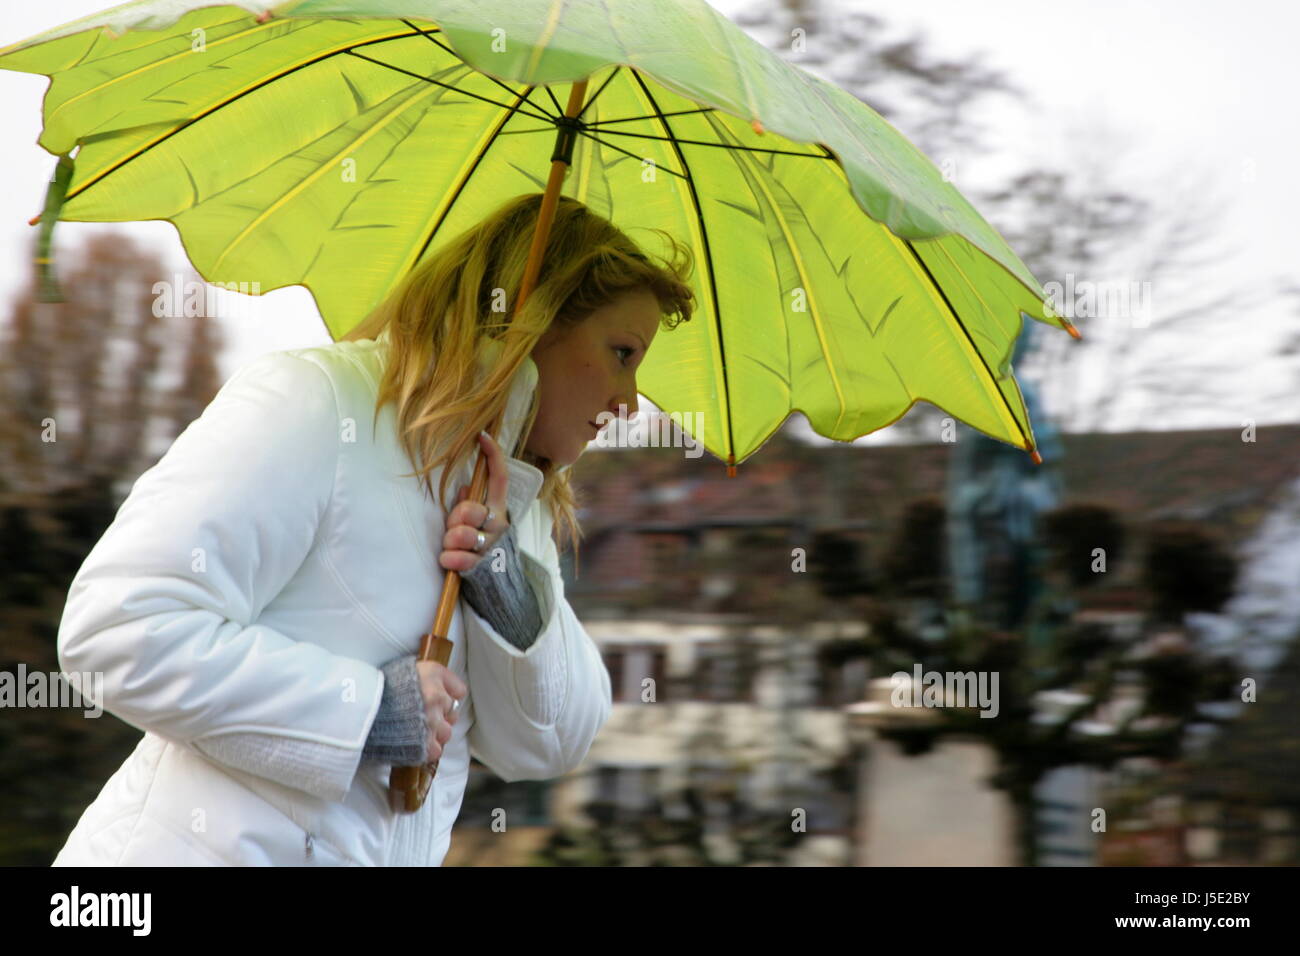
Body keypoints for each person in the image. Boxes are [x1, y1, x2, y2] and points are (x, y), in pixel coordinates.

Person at [50, 193, 694, 866]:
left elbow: (551, 742)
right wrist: (366, 713)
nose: (629, 400)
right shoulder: (315, 403)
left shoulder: (510, 500)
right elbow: (117, 630)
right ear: (531, 321)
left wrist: (502, 585)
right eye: (622, 352)